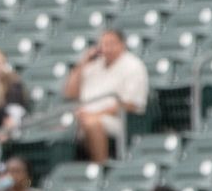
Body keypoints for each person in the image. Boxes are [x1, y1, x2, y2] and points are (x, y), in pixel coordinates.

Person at [62, 29, 149, 165]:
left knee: (92, 123)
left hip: (122, 120)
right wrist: (82, 63)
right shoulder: (93, 66)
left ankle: (101, 168)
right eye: (104, 44)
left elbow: (130, 104)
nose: (107, 48)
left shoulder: (133, 66)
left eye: (112, 43)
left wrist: (93, 114)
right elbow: (70, 93)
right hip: (83, 118)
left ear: (122, 44)